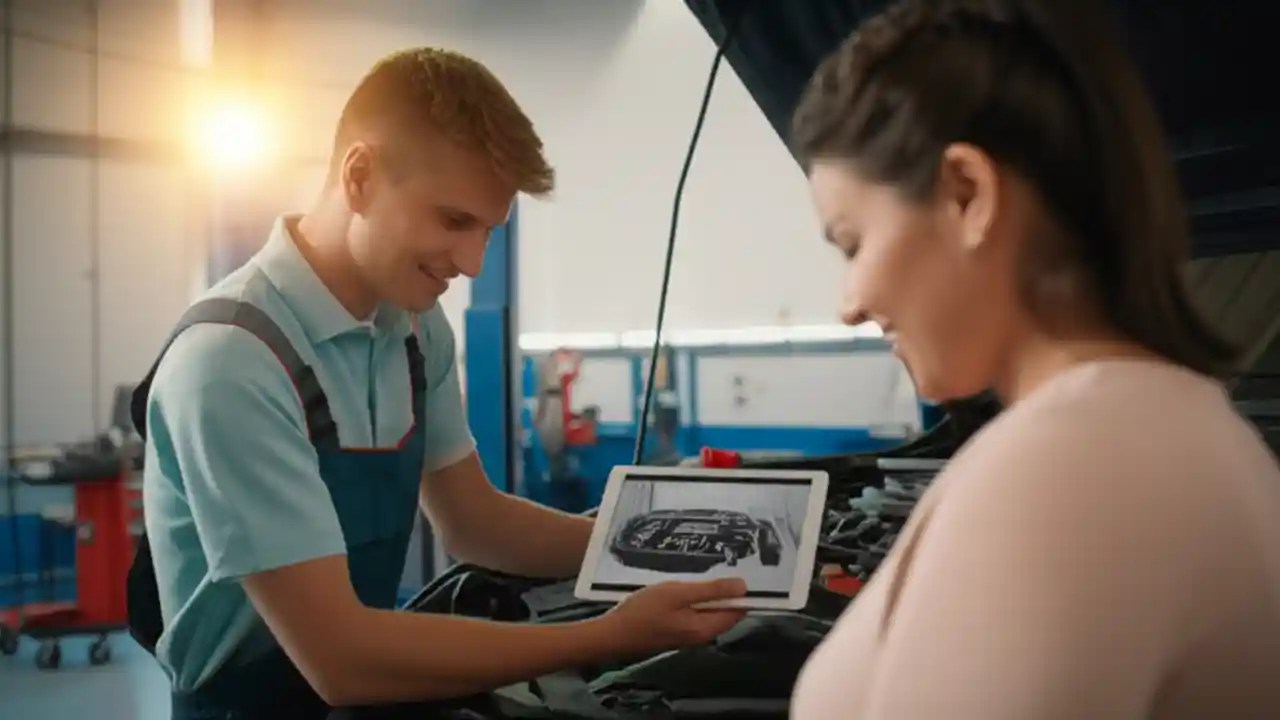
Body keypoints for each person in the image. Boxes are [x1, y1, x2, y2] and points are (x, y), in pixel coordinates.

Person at [132, 48, 747, 720]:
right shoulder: (233, 362)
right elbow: (343, 659)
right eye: (454, 221)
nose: (473, 262)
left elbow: (474, 522)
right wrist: (610, 632)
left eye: (487, 230)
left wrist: (656, 545)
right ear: (360, 177)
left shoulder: (416, 333)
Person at [786, 0, 1280, 718]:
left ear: (967, 195)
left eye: (853, 242)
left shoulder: (1076, 460)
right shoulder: (1165, 429)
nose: (850, 302)